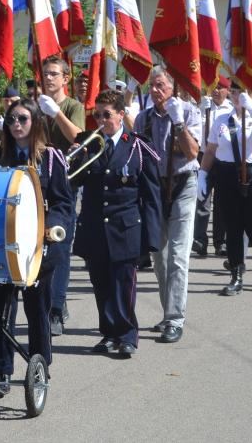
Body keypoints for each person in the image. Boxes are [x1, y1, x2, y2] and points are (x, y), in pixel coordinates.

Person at [0, 99, 75, 397]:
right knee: (2, 310)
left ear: (35, 122)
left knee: (37, 309)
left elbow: (63, 202)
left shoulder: (52, 159)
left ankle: (40, 368)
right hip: (4, 246)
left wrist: (53, 226)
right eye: (11, 120)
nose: (16, 125)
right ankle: (2, 372)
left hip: (39, 247)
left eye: (22, 118)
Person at [74, 89, 162, 357]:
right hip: (95, 227)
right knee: (100, 283)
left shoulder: (136, 144)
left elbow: (151, 194)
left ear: (121, 115)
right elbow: (73, 181)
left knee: (123, 284)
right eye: (97, 114)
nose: (101, 119)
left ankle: (127, 334)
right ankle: (109, 333)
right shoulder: (88, 144)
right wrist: (76, 157)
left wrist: (152, 237)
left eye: (107, 115)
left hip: (125, 227)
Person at [133, 67, 200, 343]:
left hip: (184, 183)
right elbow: (136, 155)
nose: (155, 91)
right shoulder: (143, 118)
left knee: (178, 256)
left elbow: (193, 151)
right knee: (158, 257)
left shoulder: (190, 111)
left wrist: (179, 121)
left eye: (161, 85)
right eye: (152, 86)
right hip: (155, 189)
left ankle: (175, 318)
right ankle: (167, 313)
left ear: (173, 87)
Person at [198, 82, 252, 295]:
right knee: (232, 228)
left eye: (240, 92)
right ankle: (236, 275)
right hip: (226, 175)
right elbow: (210, 149)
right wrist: (203, 174)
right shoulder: (221, 120)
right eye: (234, 92)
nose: (236, 96)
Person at [33, 56, 85, 337]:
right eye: (46, 74)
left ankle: (56, 309)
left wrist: (55, 114)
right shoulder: (37, 105)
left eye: (54, 74)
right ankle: (43, 303)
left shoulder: (72, 106)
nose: (49, 78)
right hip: (37, 185)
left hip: (65, 186)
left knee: (61, 248)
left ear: (66, 78)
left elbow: (78, 136)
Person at [193, 77, 232, 254]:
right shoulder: (202, 107)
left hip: (223, 157)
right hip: (204, 155)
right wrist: (202, 108)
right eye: (213, 87)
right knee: (202, 199)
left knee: (222, 201)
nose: (216, 90)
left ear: (227, 91)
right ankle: (200, 240)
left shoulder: (231, 110)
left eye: (220, 87)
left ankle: (220, 241)